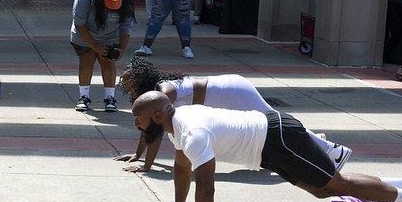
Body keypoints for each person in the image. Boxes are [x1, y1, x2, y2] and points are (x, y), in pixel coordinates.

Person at [131, 91, 402, 202]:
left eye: (139, 119)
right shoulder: (179, 122)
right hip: (270, 147)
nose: (136, 124)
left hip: (279, 138)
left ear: (158, 117)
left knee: (337, 185)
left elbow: (207, 186)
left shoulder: (192, 131)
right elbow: (182, 167)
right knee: (324, 190)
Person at [115, 57, 350, 173]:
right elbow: (149, 128)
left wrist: (146, 165)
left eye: (130, 83)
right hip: (228, 91)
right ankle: (321, 143)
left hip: (233, 91)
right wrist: (137, 155)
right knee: (275, 122)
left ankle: (332, 150)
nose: (128, 88)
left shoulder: (163, 91)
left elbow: (154, 131)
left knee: (276, 123)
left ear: (143, 78)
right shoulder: (154, 96)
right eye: (125, 85)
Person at [71, 0, 136, 113]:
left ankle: (110, 98)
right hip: (84, 34)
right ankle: (84, 97)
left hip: (110, 35)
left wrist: (122, 49)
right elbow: (79, 24)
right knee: (86, 62)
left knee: (108, 62)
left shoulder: (127, 2)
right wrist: (94, 46)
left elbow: (126, 28)